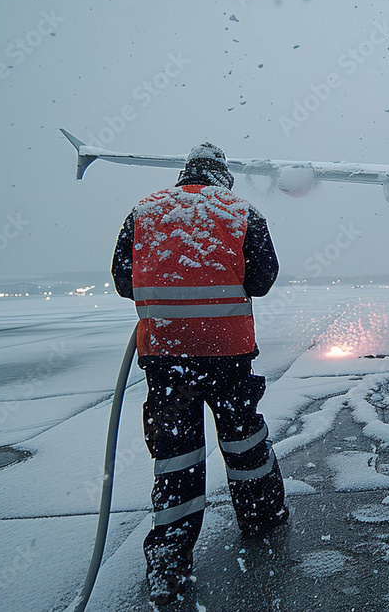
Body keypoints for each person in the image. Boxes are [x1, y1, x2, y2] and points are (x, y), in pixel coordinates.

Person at [111, 142, 288, 604]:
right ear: (222, 175)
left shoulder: (143, 212)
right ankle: (261, 517)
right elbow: (263, 281)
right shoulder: (240, 211)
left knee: (176, 457)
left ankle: (169, 558)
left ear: (185, 173)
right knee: (244, 441)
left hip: (166, 357)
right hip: (227, 355)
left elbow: (122, 279)